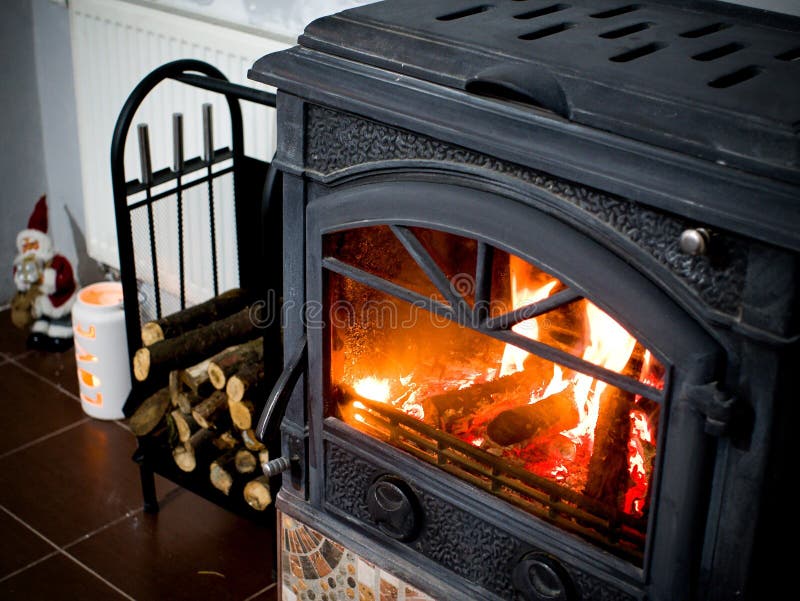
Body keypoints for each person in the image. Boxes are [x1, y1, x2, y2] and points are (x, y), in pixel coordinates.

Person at [11, 195, 78, 351]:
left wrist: (45, 279)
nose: (29, 250)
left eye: (33, 245)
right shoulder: (22, 263)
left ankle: (61, 328)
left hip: (58, 301)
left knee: (59, 322)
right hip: (40, 301)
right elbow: (19, 278)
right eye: (26, 246)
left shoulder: (57, 262)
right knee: (39, 318)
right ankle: (42, 323)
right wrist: (23, 281)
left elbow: (66, 280)